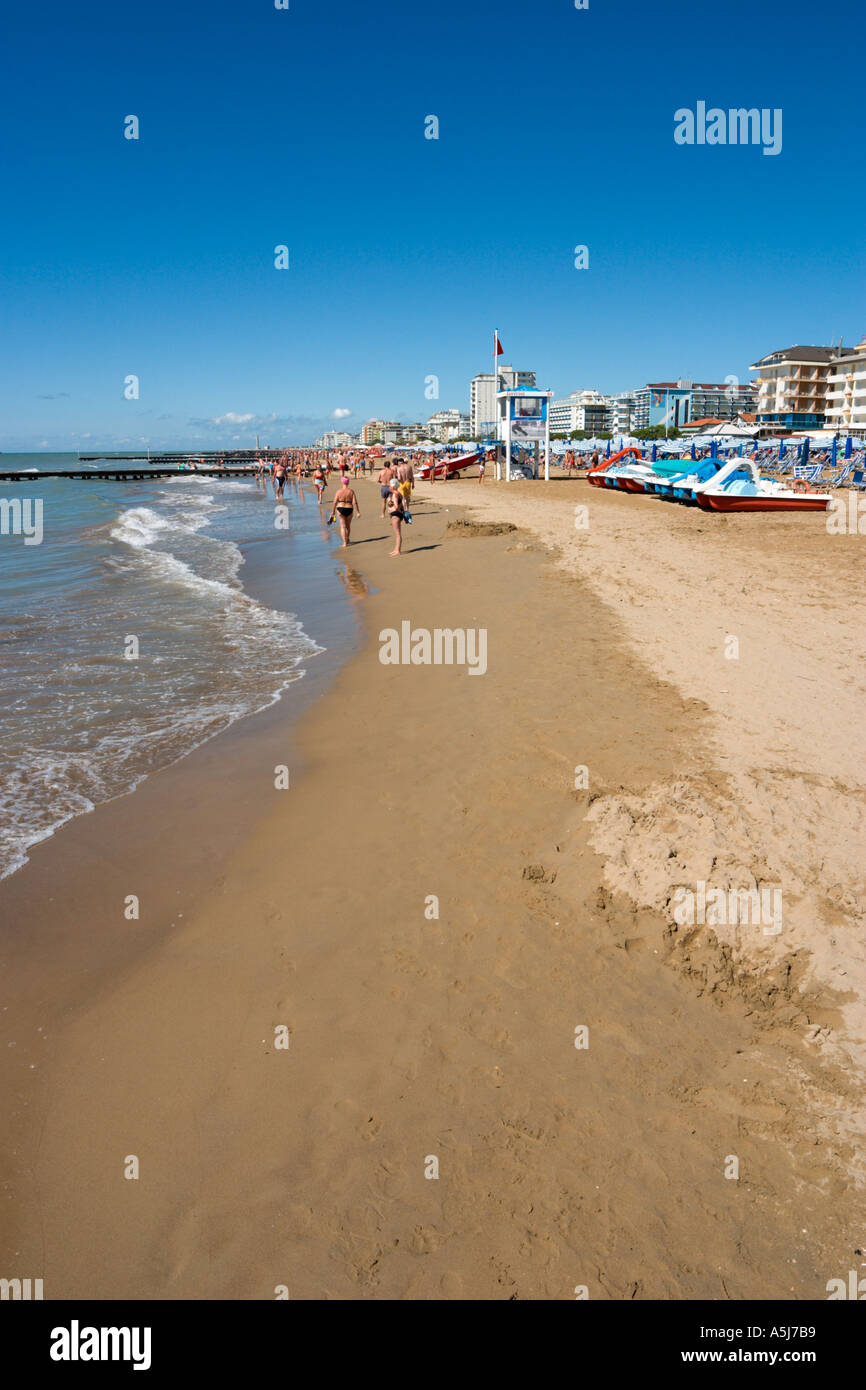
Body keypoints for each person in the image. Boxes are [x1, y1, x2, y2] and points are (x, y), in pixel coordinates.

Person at [331, 477, 360, 546]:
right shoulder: (351, 491)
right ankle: (347, 539)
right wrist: (358, 512)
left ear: (342, 482)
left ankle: (344, 543)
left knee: (342, 526)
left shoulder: (338, 491)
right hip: (349, 508)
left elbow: (335, 502)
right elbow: (355, 502)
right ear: (348, 482)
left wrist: (333, 511)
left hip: (340, 508)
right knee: (348, 526)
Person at [386, 477, 405, 556]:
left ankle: (398, 551)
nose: (389, 487)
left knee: (397, 534)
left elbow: (396, 507)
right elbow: (401, 504)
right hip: (397, 514)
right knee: (397, 533)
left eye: (389, 485)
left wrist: (401, 513)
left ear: (393, 486)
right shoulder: (398, 493)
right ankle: (396, 549)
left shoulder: (395, 494)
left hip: (396, 514)